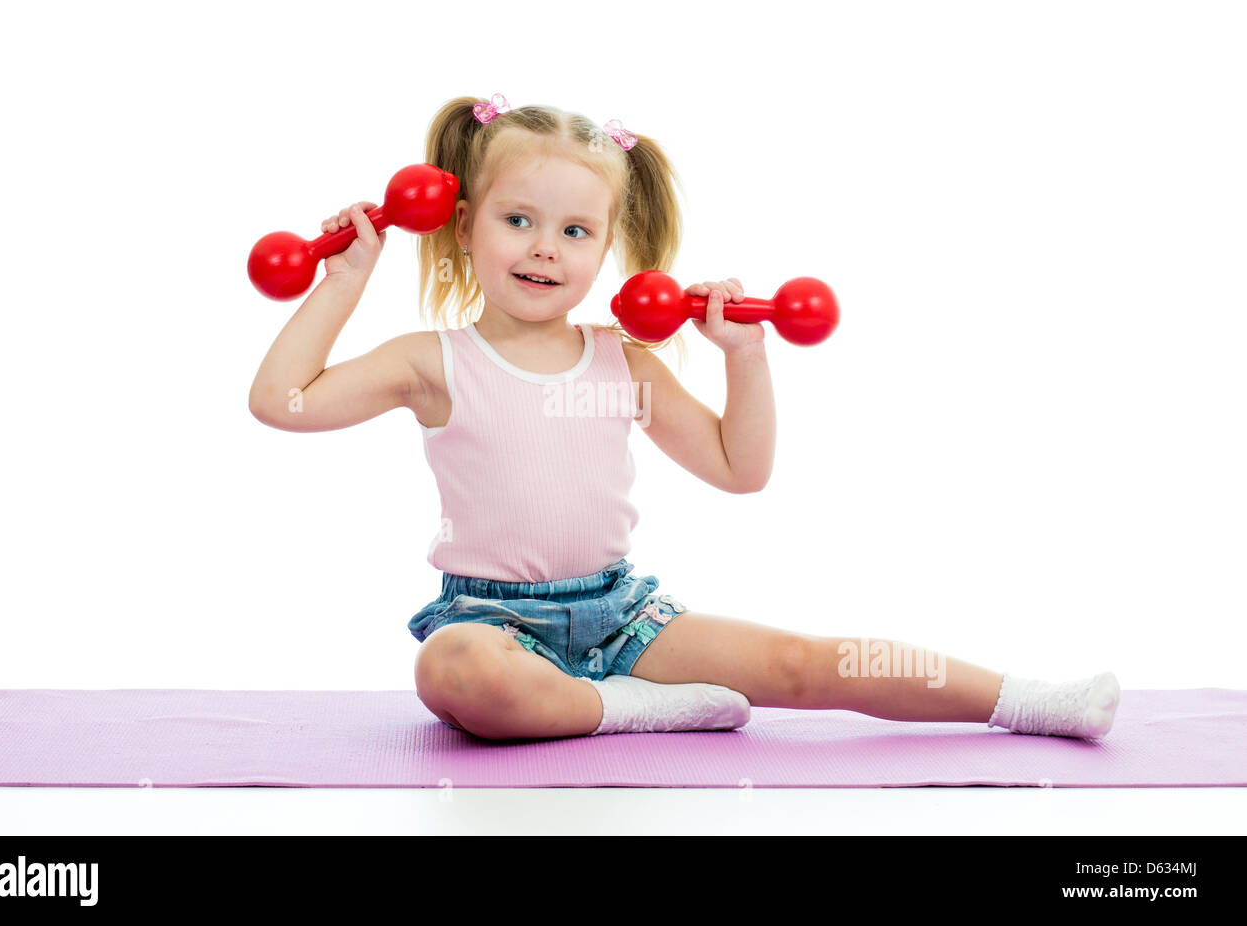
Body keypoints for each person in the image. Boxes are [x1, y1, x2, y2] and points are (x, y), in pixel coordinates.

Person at [248, 94, 1121, 742]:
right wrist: (346, 280)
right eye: (518, 220)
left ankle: (1030, 700)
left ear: (606, 244)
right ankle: (629, 712)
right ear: (466, 225)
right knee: (451, 672)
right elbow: (281, 403)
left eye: (576, 231)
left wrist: (744, 354)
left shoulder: (622, 357)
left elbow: (741, 470)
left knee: (801, 663)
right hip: (490, 622)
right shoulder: (429, 361)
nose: (545, 247)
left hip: (623, 616)